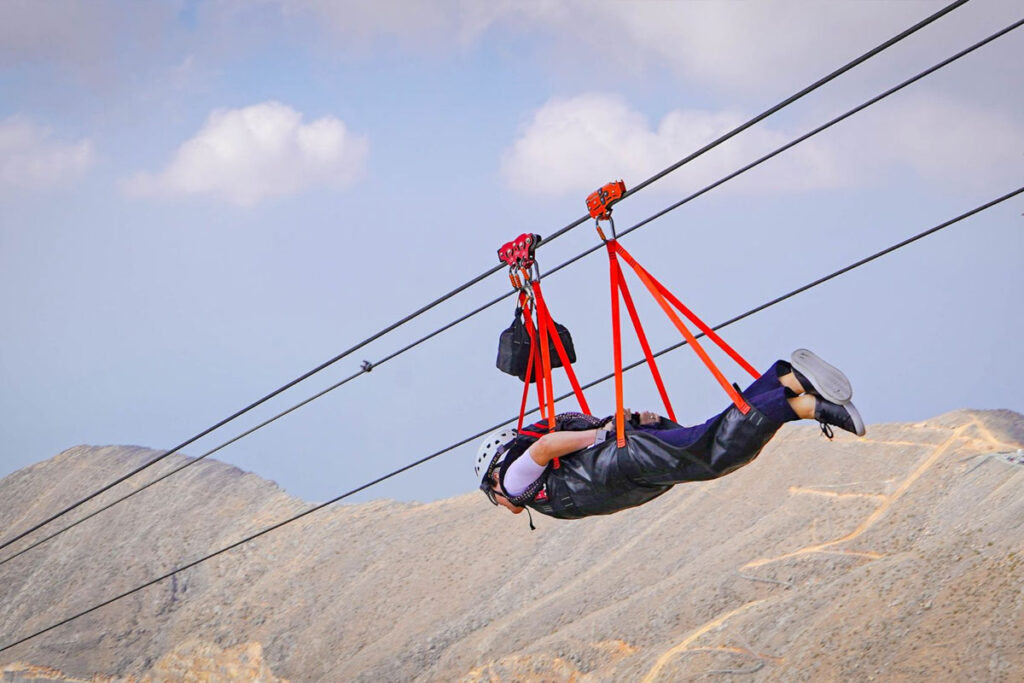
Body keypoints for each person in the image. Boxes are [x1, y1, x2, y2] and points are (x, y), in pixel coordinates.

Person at [474, 348, 865, 521]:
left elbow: (544, 447)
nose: (502, 506)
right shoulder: (537, 490)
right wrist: (616, 428)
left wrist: (603, 435)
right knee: (710, 436)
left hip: (625, 462)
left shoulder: (511, 480)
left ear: (493, 478)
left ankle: (806, 405)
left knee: (715, 454)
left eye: (494, 499)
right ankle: (787, 379)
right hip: (628, 461)